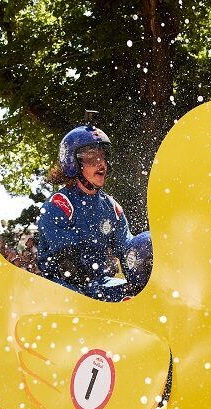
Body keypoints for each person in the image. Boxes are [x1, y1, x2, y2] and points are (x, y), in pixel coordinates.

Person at [36, 115, 151, 302]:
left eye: (103, 156)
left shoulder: (112, 208)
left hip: (98, 284)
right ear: (73, 163)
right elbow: (68, 265)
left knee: (145, 246)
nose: (101, 163)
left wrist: (142, 280)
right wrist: (104, 296)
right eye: (92, 157)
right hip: (60, 290)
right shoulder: (60, 205)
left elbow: (129, 251)